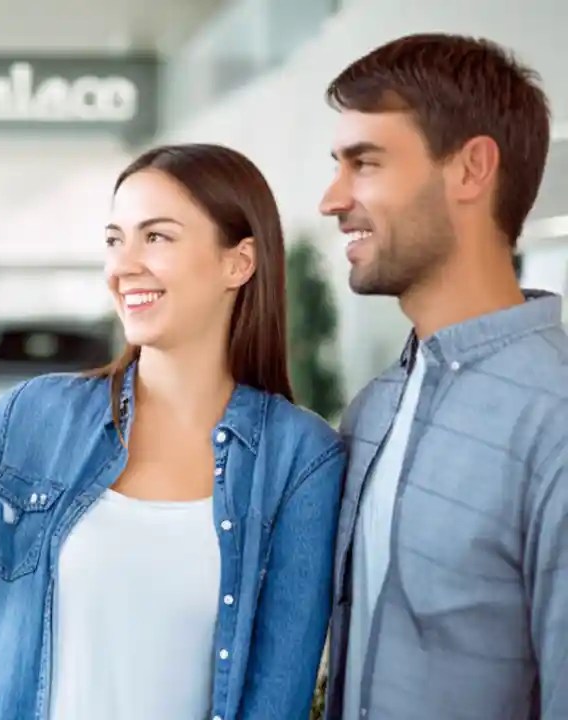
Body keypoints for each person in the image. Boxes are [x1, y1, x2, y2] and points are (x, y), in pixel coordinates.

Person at [0, 143, 346, 719]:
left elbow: (277, 694)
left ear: (239, 262)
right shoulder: (37, 416)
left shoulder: (299, 459)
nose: (123, 265)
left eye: (156, 237)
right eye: (114, 239)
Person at [320, 33, 568, 720]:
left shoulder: (556, 421)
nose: (331, 199)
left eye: (363, 163)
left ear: (470, 170)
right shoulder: (371, 411)